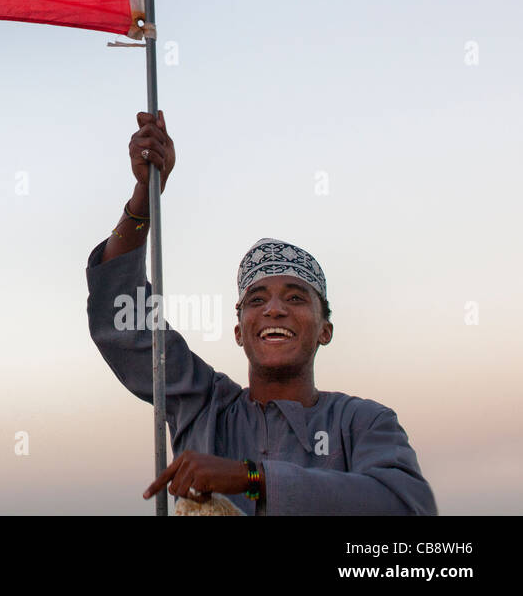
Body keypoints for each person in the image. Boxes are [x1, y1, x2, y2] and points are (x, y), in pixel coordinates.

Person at [85, 110, 438, 515]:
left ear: (325, 329)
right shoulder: (203, 405)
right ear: (240, 331)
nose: (274, 309)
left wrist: (253, 478)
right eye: (256, 300)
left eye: (295, 298)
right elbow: (121, 318)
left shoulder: (362, 422)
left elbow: (406, 505)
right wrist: (143, 200)